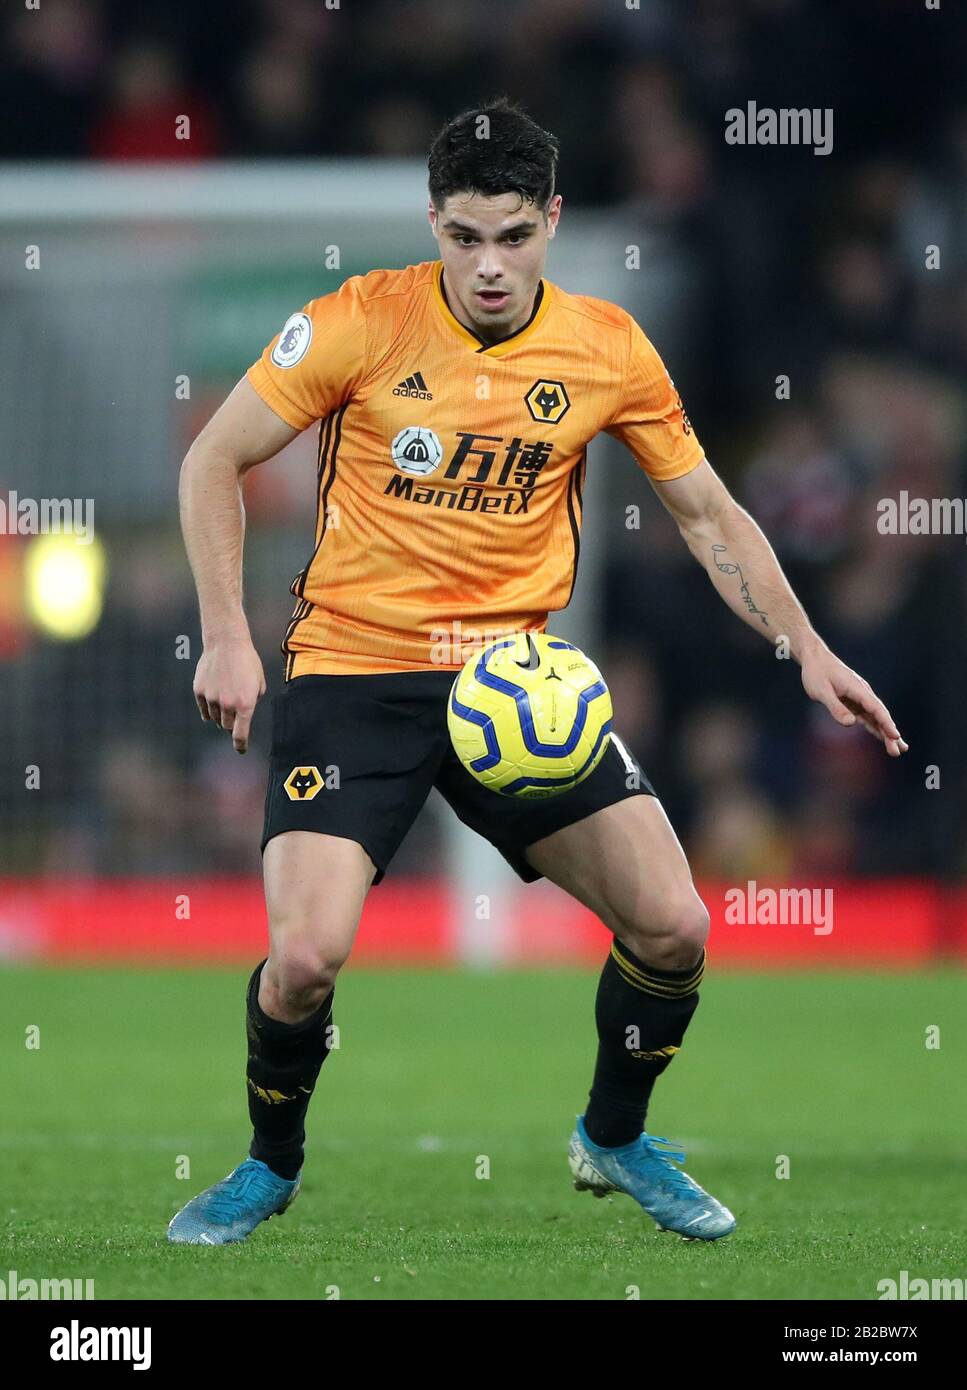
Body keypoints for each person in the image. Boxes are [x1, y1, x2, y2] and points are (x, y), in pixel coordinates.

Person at [170, 98, 906, 1246]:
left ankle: (612, 1137)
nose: (489, 265)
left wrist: (806, 645)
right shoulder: (358, 321)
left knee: (674, 926)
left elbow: (708, 513)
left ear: (551, 220)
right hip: (354, 674)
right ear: (433, 224)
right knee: (306, 956)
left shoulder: (606, 348)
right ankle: (269, 1163)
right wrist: (224, 630)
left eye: (512, 235)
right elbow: (214, 459)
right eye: (463, 237)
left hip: (515, 690)